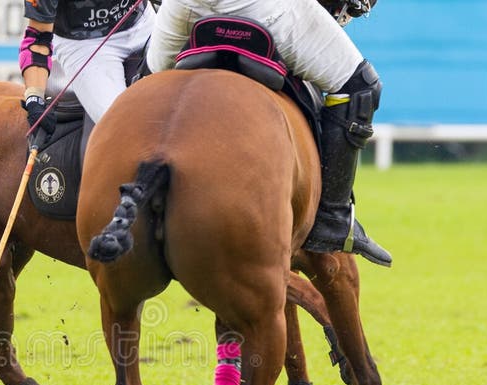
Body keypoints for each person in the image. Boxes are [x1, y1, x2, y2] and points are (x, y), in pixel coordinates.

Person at [145, 0, 392, 267]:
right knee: (360, 85)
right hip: (259, 7)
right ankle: (332, 218)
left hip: (182, 8)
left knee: (146, 86)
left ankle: (129, 198)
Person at [19, 0, 156, 145]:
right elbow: (38, 39)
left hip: (143, 22)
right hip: (83, 45)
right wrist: (34, 98)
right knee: (121, 129)